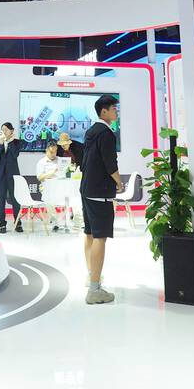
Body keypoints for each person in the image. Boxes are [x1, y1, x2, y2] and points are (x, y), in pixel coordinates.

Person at [81, 94, 123, 304]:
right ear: (103, 112)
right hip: (100, 191)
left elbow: (85, 160)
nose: (116, 112)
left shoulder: (90, 131)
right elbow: (110, 162)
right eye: (114, 109)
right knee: (100, 237)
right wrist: (118, 182)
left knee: (90, 233)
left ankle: (92, 277)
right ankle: (95, 289)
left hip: (87, 188)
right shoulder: (106, 133)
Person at [0, 121, 24, 235]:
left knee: (15, 200)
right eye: (2, 129)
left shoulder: (16, 142)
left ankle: (18, 222)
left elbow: (15, 155)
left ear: (11, 131)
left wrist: (9, 143)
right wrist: (0, 144)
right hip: (1, 176)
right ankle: (2, 224)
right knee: (1, 200)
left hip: (13, 175)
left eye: (6, 129)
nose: (4, 132)